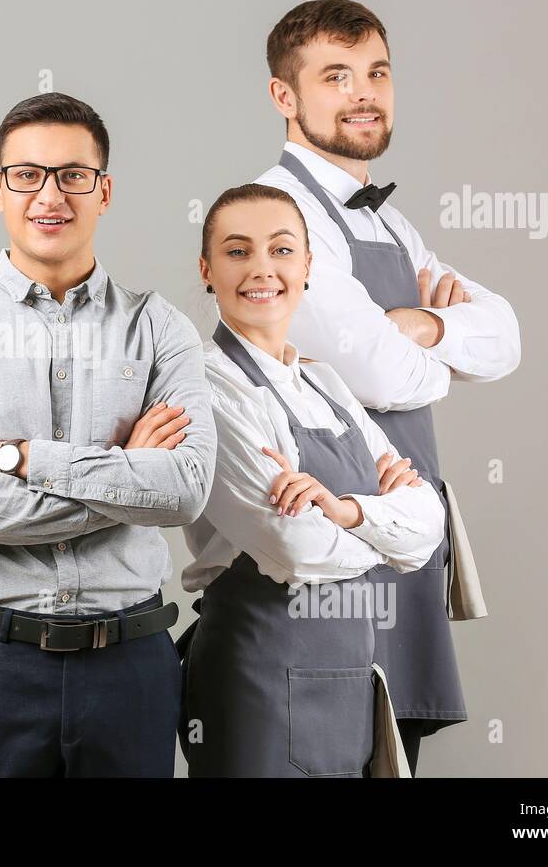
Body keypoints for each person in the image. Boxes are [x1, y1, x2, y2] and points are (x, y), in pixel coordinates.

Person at [0, 92, 217, 777]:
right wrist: (126, 470)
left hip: (131, 667)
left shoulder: (161, 329)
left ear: (104, 191)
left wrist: (20, 458)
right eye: (27, 174)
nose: (51, 195)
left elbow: (184, 492)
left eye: (73, 175)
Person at [253, 0, 521, 772]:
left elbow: (505, 334)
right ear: (284, 97)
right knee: (336, 744)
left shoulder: (394, 225)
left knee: (397, 751)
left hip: (406, 523)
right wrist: (417, 341)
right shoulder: (281, 212)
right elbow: (374, 370)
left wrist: (423, 325)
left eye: (376, 72)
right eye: (335, 76)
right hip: (342, 528)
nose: (363, 92)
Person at [180, 183, 444, 777]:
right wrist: (383, 520)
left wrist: (346, 511)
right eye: (237, 251)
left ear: (307, 266)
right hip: (255, 674)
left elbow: (429, 527)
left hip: (348, 673)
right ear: (207, 269)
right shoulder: (204, 383)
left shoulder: (328, 384)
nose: (262, 270)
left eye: (280, 250)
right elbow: (293, 549)